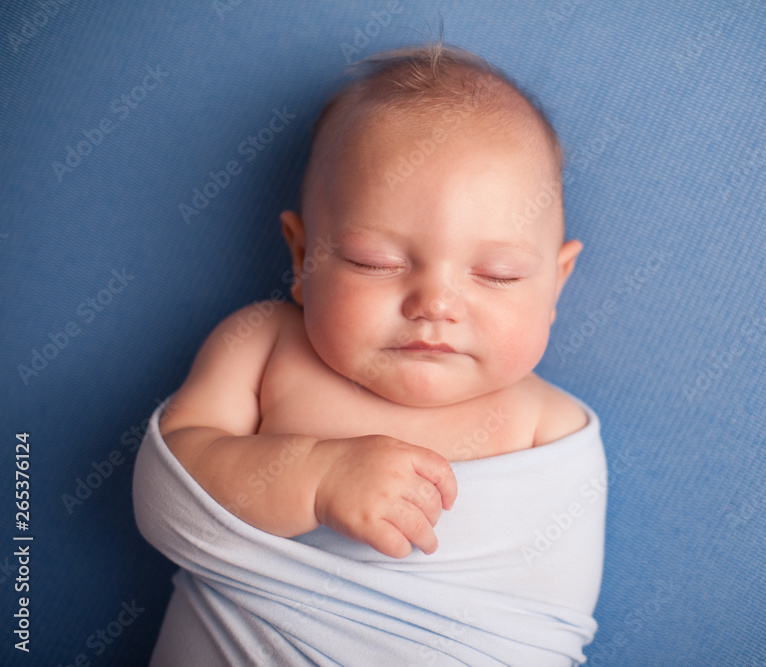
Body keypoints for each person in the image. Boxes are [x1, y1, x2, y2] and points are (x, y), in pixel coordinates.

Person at [159, 41, 589, 559]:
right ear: (302, 257)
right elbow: (163, 499)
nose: (434, 304)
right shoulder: (262, 346)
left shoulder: (550, 428)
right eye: (374, 263)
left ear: (556, 283)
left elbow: (547, 615)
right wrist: (315, 477)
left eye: (498, 274)